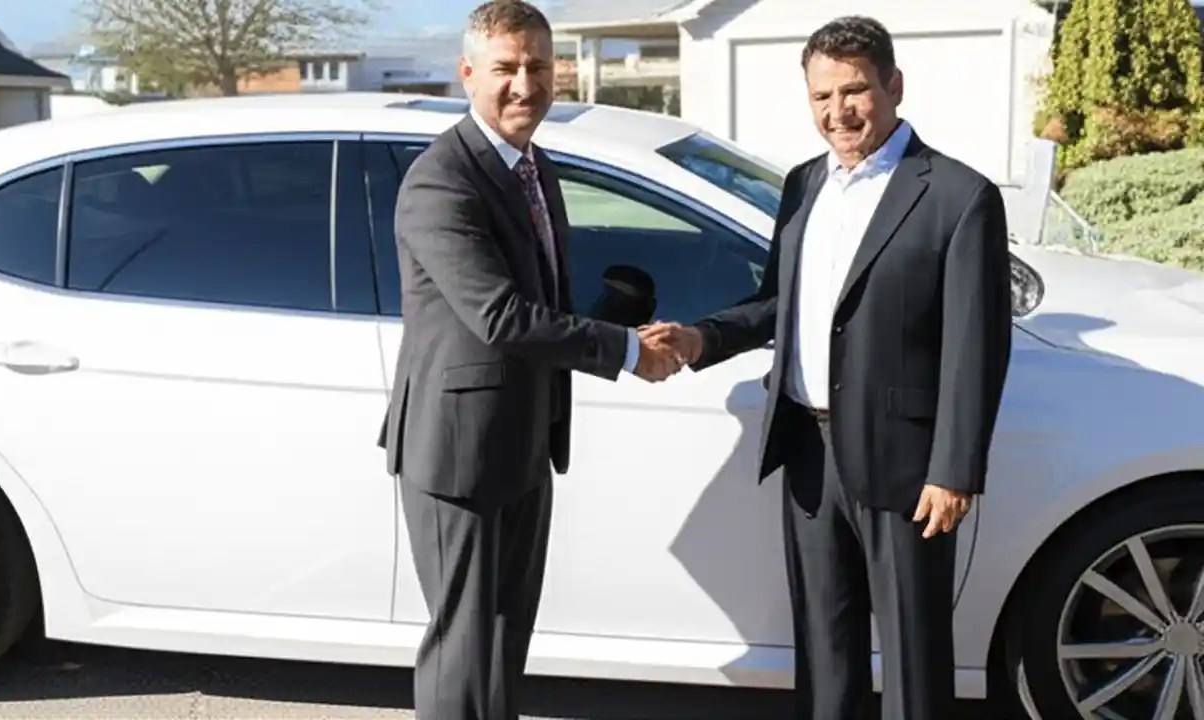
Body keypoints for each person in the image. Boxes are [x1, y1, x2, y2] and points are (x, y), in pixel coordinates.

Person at [644, 15, 1013, 720]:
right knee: (824, 649)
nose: (838, 111)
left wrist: (955, 469)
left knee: (913, 656)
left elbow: (977, 344)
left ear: (893, 86)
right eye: (821, 97)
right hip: (809, 454)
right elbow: (777, 303)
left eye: (854, 91)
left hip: (906, 466)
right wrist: (698, 339)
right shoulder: (804, 183)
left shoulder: (958, 197)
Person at [376, 2, 683, 718]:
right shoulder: (442, 179)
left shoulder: (533, 165)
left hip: (523, 439)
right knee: (463, 650)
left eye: (538, 66)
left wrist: (611, 320)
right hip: (459, 453)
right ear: (467, 74)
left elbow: (539, 296)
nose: (524, 84)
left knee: (503, 644)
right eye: (506, 68)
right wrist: (626, 350)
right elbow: (499, 314)